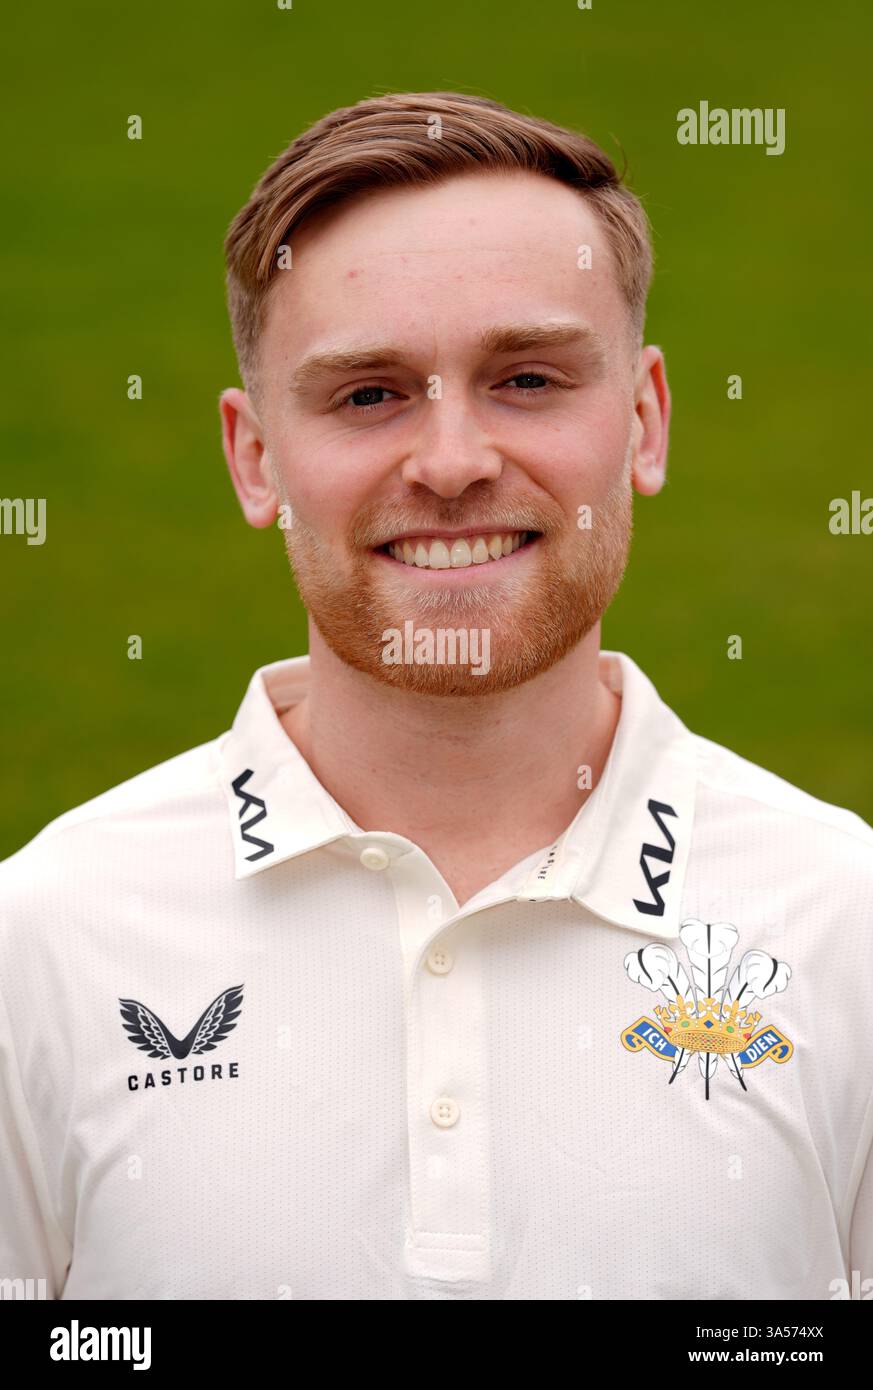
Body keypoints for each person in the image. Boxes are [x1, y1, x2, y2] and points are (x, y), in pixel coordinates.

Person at [1, 92, 870, 1302]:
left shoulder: (846, 926)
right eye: (369, 394)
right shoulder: (41, 938)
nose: (454, 461)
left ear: (645, 418)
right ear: (255, 458)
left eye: (525, 378)